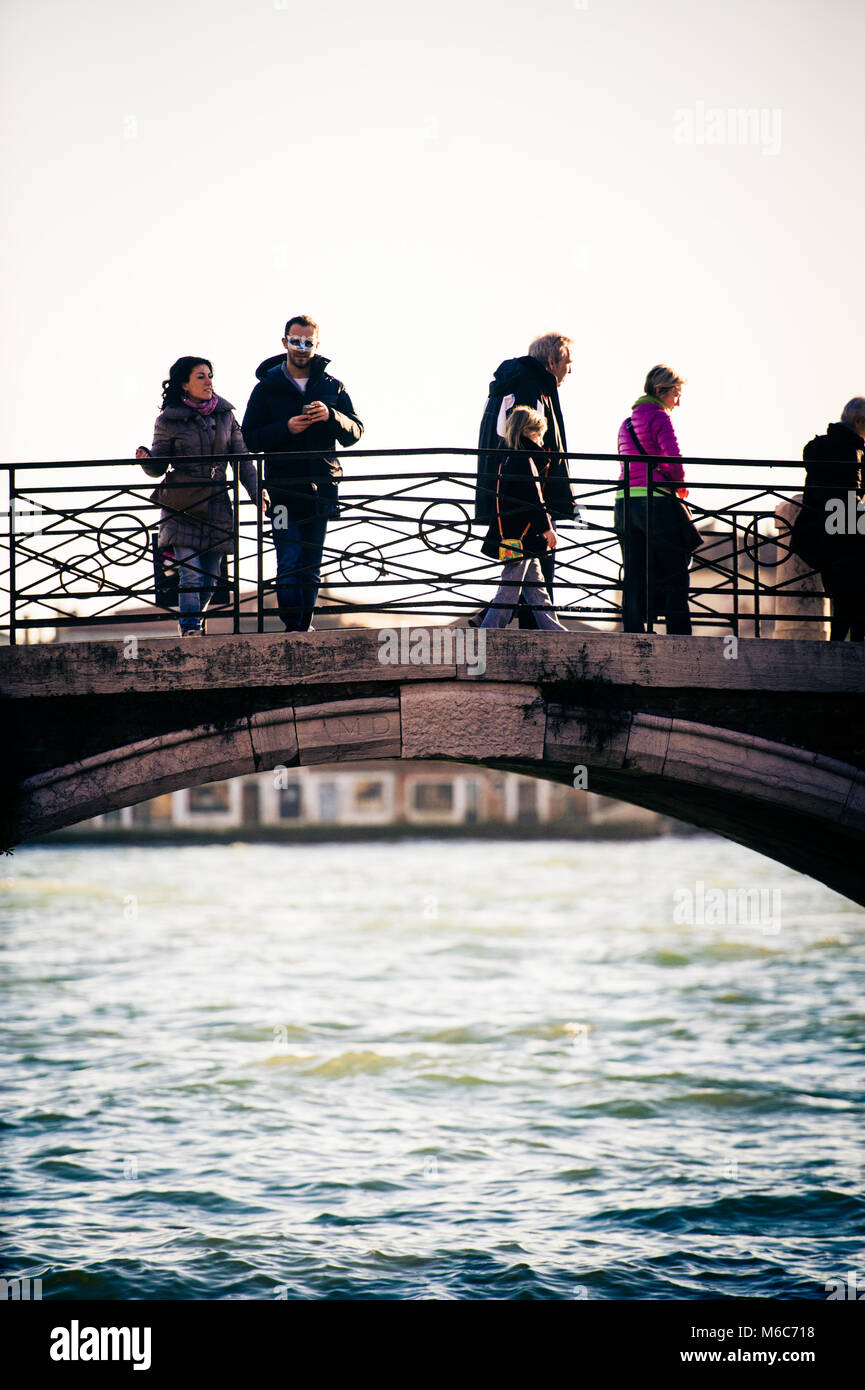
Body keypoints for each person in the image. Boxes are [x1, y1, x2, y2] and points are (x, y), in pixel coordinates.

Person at [241, 315, 363, 632]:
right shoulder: (267, 388)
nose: (302, 348)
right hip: (281, 492)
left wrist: (331, 415)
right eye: (296, 341)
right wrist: (285, 428)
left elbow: (355, 431)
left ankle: (303, 626)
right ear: (285, 342)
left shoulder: (332, 386)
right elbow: (248, 438)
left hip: (322, 490)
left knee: (311, 566)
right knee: (289, 560)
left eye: (308, 342)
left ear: (316, 344)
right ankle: (292, 626)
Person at [137, 357, 259, 636]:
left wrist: (256, 493)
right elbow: (158, 465)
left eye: (209, 376)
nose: (208, 381)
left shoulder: (226, 416)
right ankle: (190, 629)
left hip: (216, 504)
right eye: (200, 376)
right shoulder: (169, 419)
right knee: (189, 573)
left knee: (211, 578)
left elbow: (243, 460)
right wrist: (147, 459)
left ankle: (194, 619)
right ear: (184, 384)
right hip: (182, 504)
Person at [473, 332, 577, 626]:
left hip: (513, 504)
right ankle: (493, 629)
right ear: (552, 360)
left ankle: (498, 626)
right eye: (567, 362)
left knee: (530, 582)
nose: (570, 370)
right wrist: (548, 512)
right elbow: (531, 458)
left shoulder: (514, 384)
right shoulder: (531, 389)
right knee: (524, 580)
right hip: (530, 505)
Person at [614, 364, 694, 636]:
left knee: (635, 573)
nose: (678, 401)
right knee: (675, 572)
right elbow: (673, 459)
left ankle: (634, 631)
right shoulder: (660, 417)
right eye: (676, 393)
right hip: (655, 503)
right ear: (661, 390)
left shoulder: (625, 424)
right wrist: (680, 487)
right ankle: (679, 634)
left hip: (625, 503)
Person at [479, 406, 568, 631]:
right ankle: (488, 631)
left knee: (536, 588)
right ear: (529, 432)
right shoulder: (524, 460)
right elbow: (533, 498)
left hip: (514, 537)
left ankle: (554, 631)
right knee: (509, 591)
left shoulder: (510, 458)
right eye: (540, 434)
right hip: (520, 537)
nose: (541, 441)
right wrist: (547, 528)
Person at [798, 398, 865, 641]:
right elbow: (849, 499)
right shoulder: (851, 452)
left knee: (844, 598)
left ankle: (839, 647)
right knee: (854, 598)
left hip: (818, 535)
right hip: (844, 536)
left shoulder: (819, 446)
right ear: (858, 421)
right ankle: (851, 651)